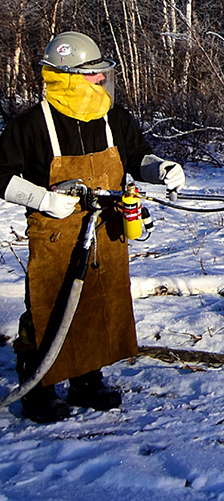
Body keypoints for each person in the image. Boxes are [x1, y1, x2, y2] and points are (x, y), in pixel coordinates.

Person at [0, 31, 184, 423]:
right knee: (49, 304)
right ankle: (37, 387)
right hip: (56, 234)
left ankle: (87, 378)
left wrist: (161, 169)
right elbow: (0, 176)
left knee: (99, 301)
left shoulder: (113, 117)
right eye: (91, 75)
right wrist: (44, 200)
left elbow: (137, 157)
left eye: (102, 74)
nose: (100, 81)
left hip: (107, 230)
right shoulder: (31, 126)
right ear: (65, 77)